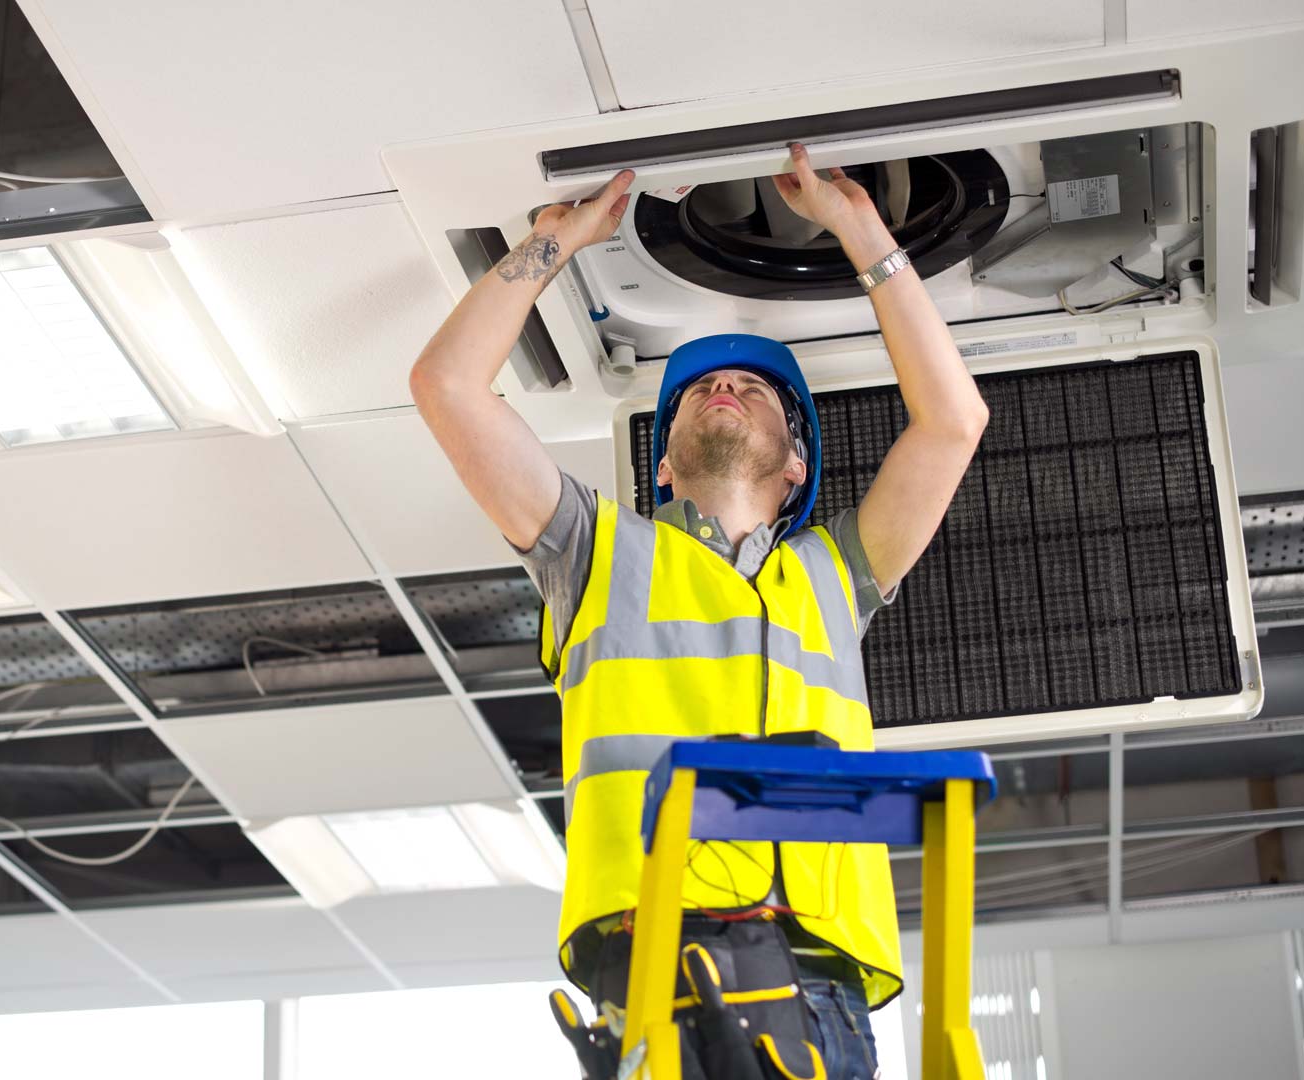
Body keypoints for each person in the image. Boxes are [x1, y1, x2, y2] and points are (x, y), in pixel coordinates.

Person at [408, 144, 989, 1079]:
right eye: (701, 393)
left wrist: (863, 234)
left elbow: (954, 423)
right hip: (657, 958)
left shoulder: (839, 574)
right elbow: (445, 386)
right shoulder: (592, 551)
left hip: (820, 981)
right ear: (664, 464)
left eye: (755, 392)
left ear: (795, 465)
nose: (725, 389)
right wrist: (549, 244)